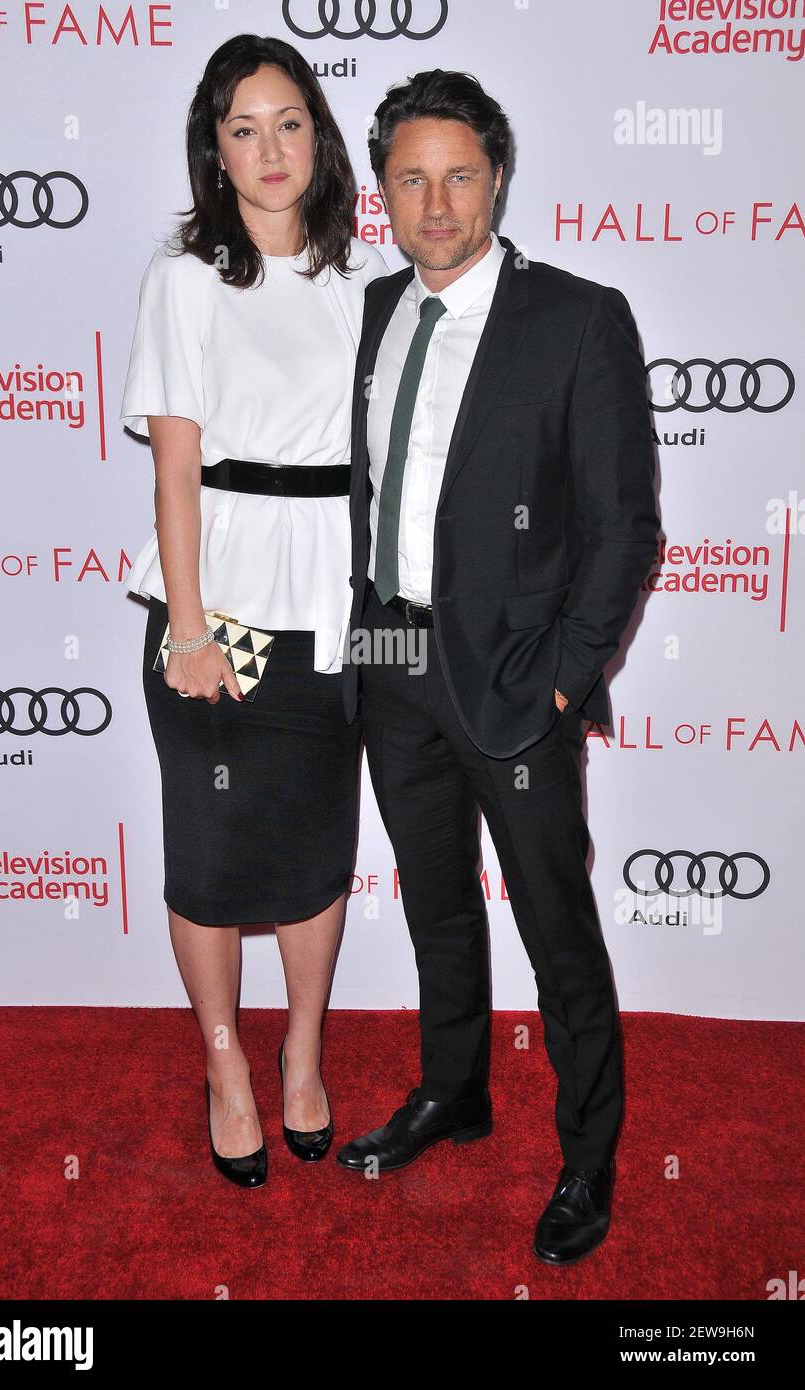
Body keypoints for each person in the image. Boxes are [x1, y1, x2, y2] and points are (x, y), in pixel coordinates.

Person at [337, 69, 660, 1264]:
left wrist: (566, 681)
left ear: (497, 179)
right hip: (391, 655)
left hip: (519, 680)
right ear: (380, 191)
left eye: (458, 175)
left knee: (556, 930)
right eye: (409, 178)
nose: (435, 203)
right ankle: (454, 1091)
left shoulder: (577, 317)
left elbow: (623, 525)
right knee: (433, 908)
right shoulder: (373, 310)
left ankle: (587, 1160)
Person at [119, 34, 387, 1188]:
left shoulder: (356, 284)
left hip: (332, 606)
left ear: (317, 141)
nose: (269, 147)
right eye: (243, 126)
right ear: (214, 151)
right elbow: (175, 471)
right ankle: (224, 1062)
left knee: (319, 852)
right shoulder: (184, 279)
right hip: (213, 601)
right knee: (213, 855)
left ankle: (303, 1052)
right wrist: (186, 626)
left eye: (288, 123)